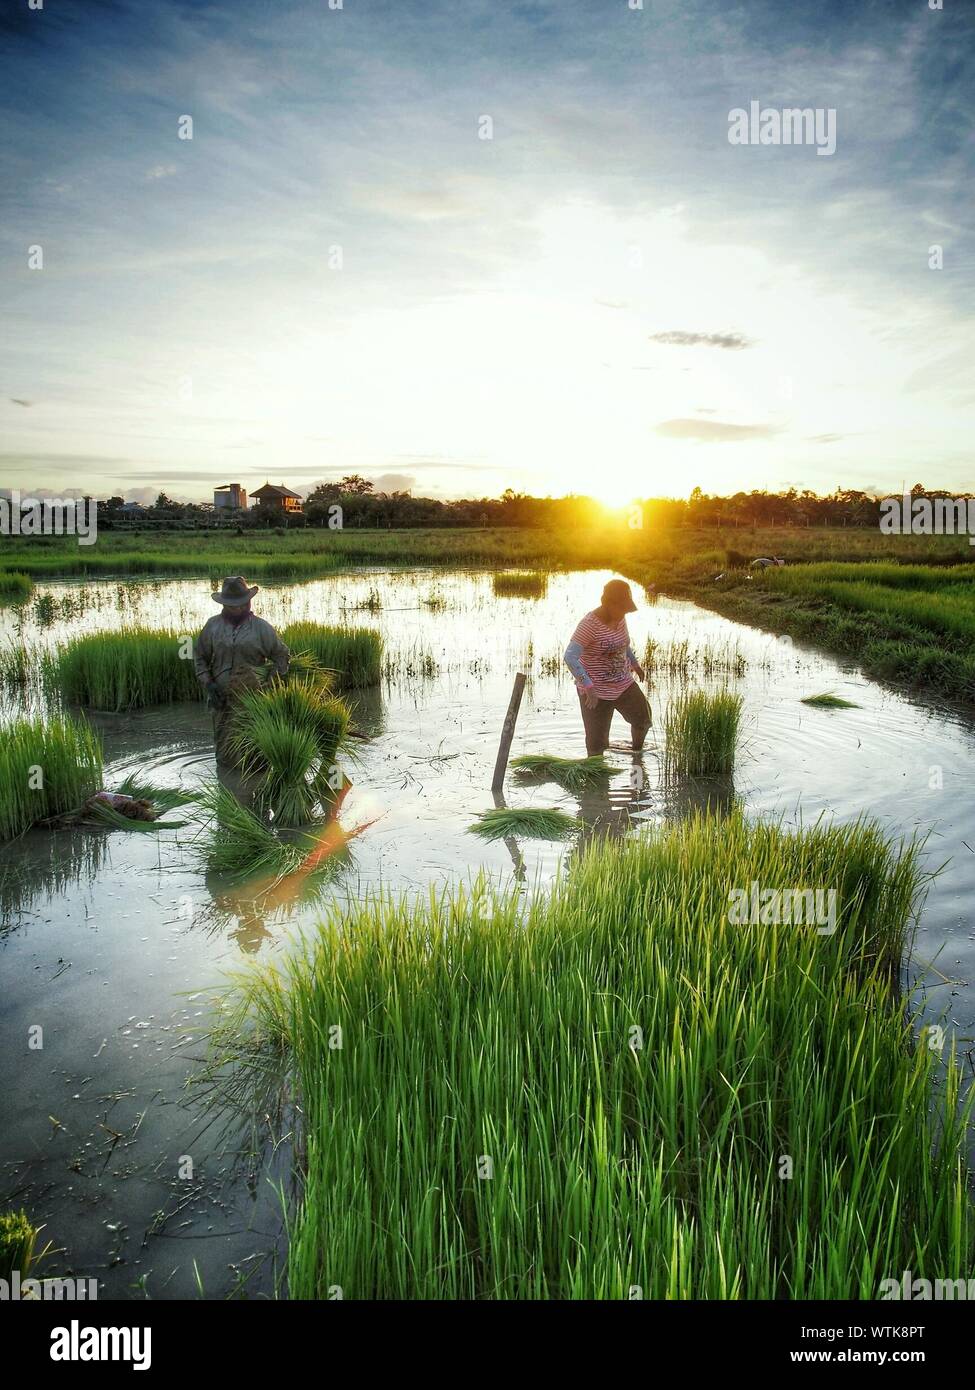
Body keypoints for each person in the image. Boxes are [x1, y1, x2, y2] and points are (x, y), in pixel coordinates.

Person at [194, 576, 290, 767]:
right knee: (225, 757)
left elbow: (282, 656)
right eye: (232, 605)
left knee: (256, 757)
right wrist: (209, 684)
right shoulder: (212, 626)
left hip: (254, 702)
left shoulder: (261, 628)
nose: (237, 609)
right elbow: (199, 658)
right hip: (222, 700)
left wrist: (269, 685)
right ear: (224, 604)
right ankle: (228, 792)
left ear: (248, 601)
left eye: (241, 604)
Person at [564, 578, 651, 756]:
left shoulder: (620, 619)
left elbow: (623, 643)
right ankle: (598, 780)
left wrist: (634, 664)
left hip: (622, 683)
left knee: (643, 720)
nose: (624, 613)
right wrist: (588, 687)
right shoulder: (589, 624)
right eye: (621, 608)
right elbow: (570, 657)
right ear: (608, 604)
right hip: (596, 689)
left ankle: (637, 758)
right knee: (596, 747)